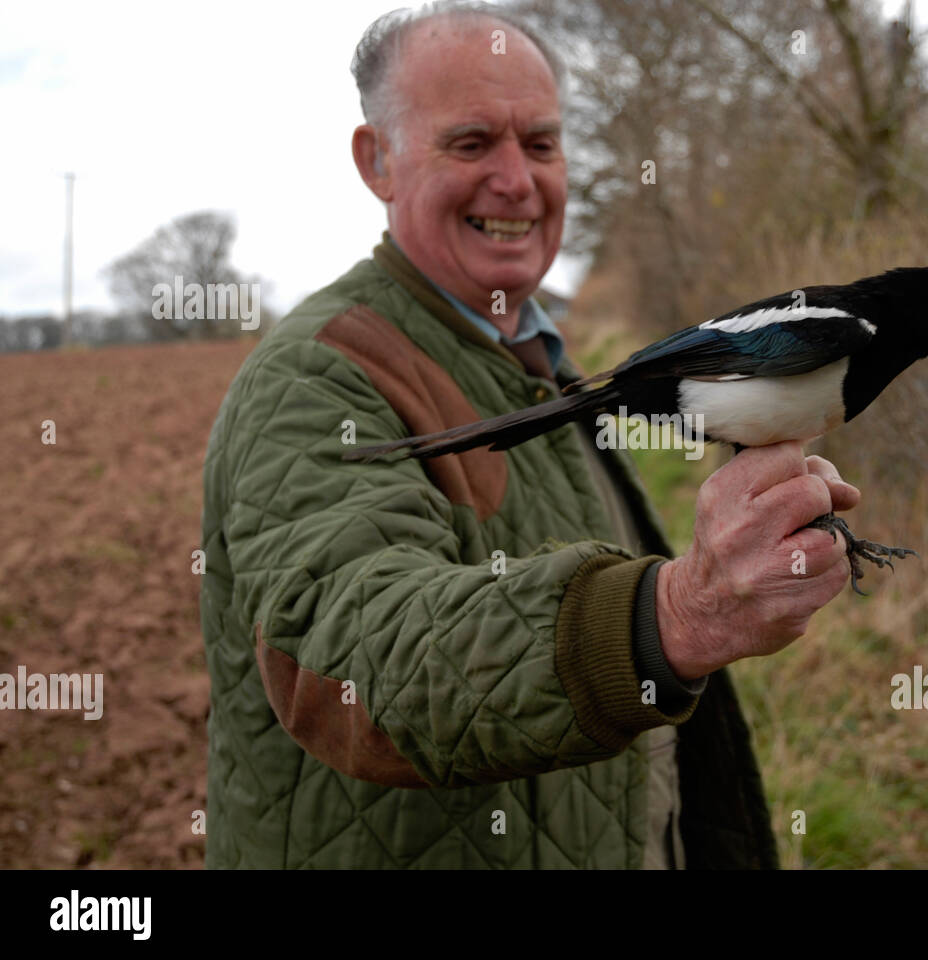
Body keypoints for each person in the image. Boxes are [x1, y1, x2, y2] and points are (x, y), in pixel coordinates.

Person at [199, 1, 858, 869]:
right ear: (378, 161)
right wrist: (674, 616)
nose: (516, 181)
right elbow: (357, 670)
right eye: (471, 144)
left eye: (541, 145)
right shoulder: (316, 377)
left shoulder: (532, 362)